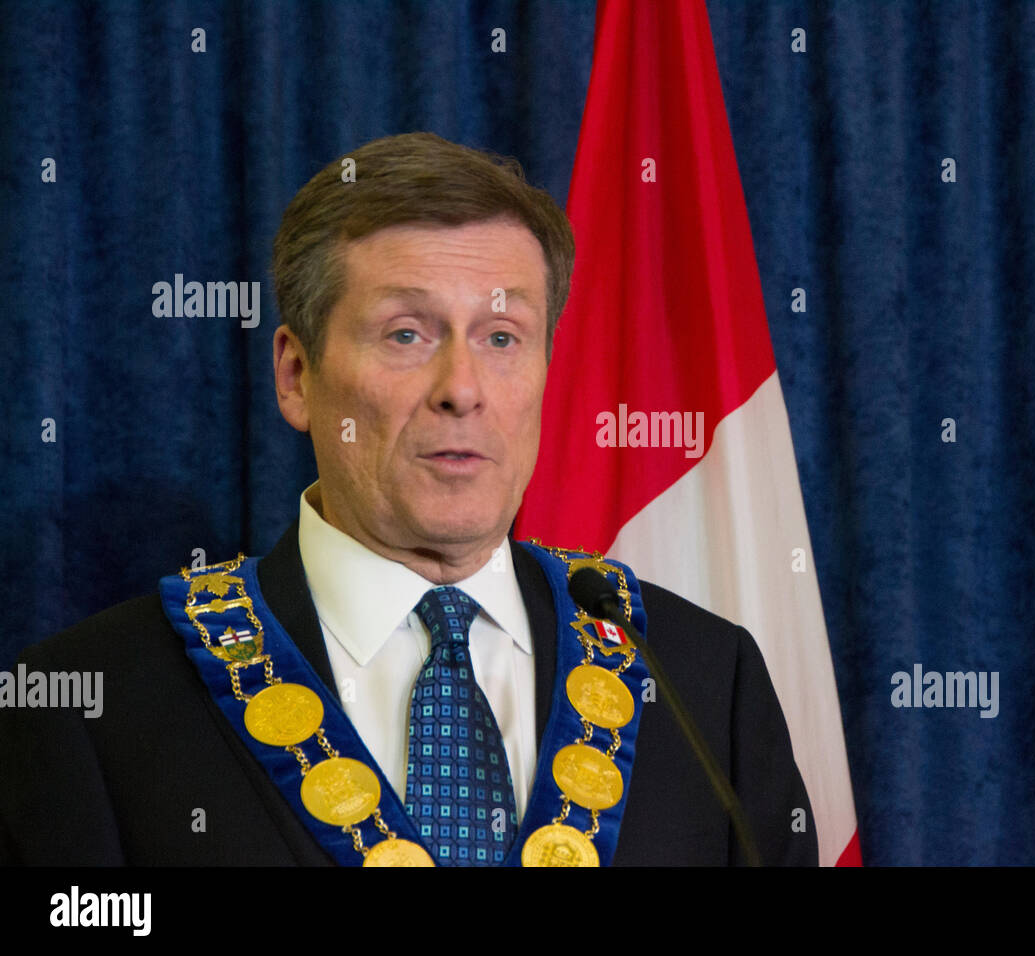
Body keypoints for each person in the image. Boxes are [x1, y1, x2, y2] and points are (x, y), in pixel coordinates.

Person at [0, 132, 816, 867]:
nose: (462, 389)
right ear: (296, 376)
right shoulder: (91, 705)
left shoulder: (701, 678)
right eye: (406, 334)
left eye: (502, 339)